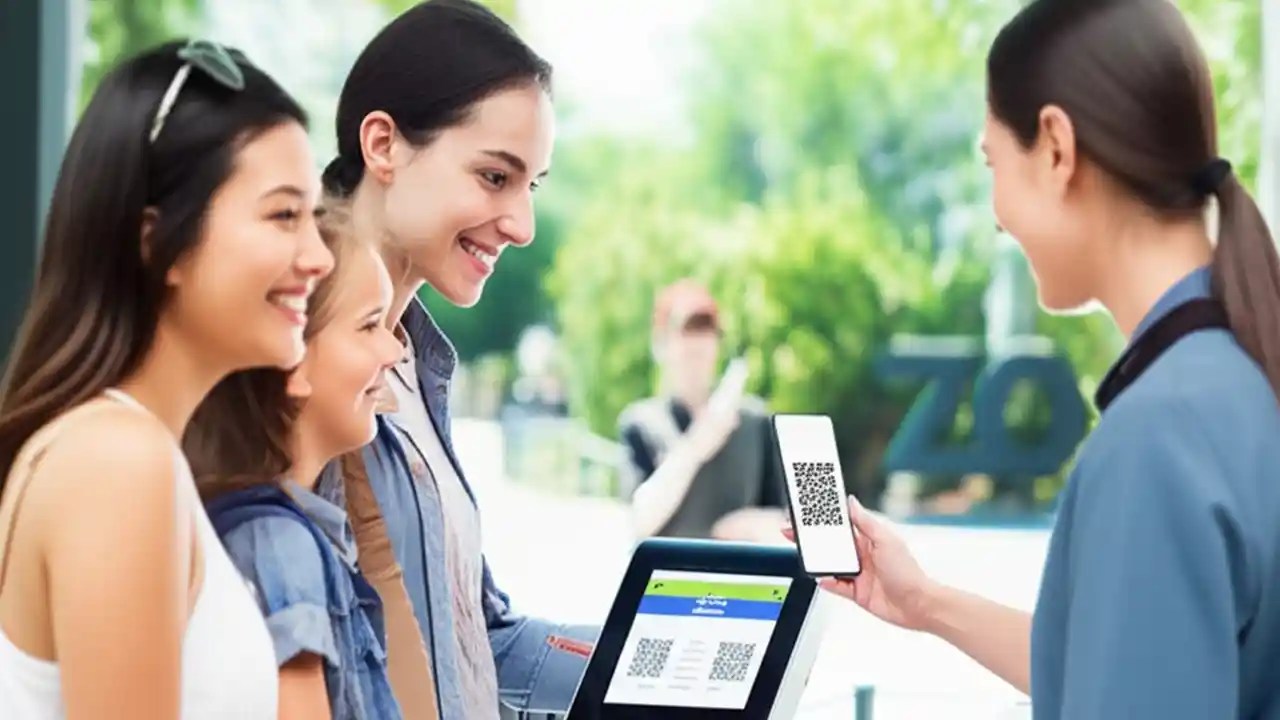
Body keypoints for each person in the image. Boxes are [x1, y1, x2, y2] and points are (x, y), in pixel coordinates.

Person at [819, 1, 1280, 717]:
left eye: (992, 162)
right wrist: (928, 602)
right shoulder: (1237, 385)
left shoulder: (1156, 439)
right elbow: (1138, 666)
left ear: (1057, 147)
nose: (998, 213)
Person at [0, 39, 333, 719]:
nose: (319, 256)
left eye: (315, 219)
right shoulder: (120, 463)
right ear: (157, 242)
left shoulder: (127, 451)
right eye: (283, 215)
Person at [320, 2, 595, 718]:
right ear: (382, 145)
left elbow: (478, 641)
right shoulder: (304, 367)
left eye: (531, 185)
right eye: (494, 176)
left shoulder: (417, 361)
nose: (523, 225)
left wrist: (666, 658)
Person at [183, 203, 404, 720]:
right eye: (370, 325)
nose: (394, 350)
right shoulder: (282, 549)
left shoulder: (267, 532)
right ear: (292, 361)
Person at [621, 280, 787, 541]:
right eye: (686, 331)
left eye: (705, 331)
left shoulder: (755, 424)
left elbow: (783, 523)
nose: (696, 344)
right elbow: (640, 521)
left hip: (738, 578)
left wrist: (750, 526)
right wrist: (700, 442)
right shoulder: (642, 424)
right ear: (661, 344)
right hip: (667, 579)